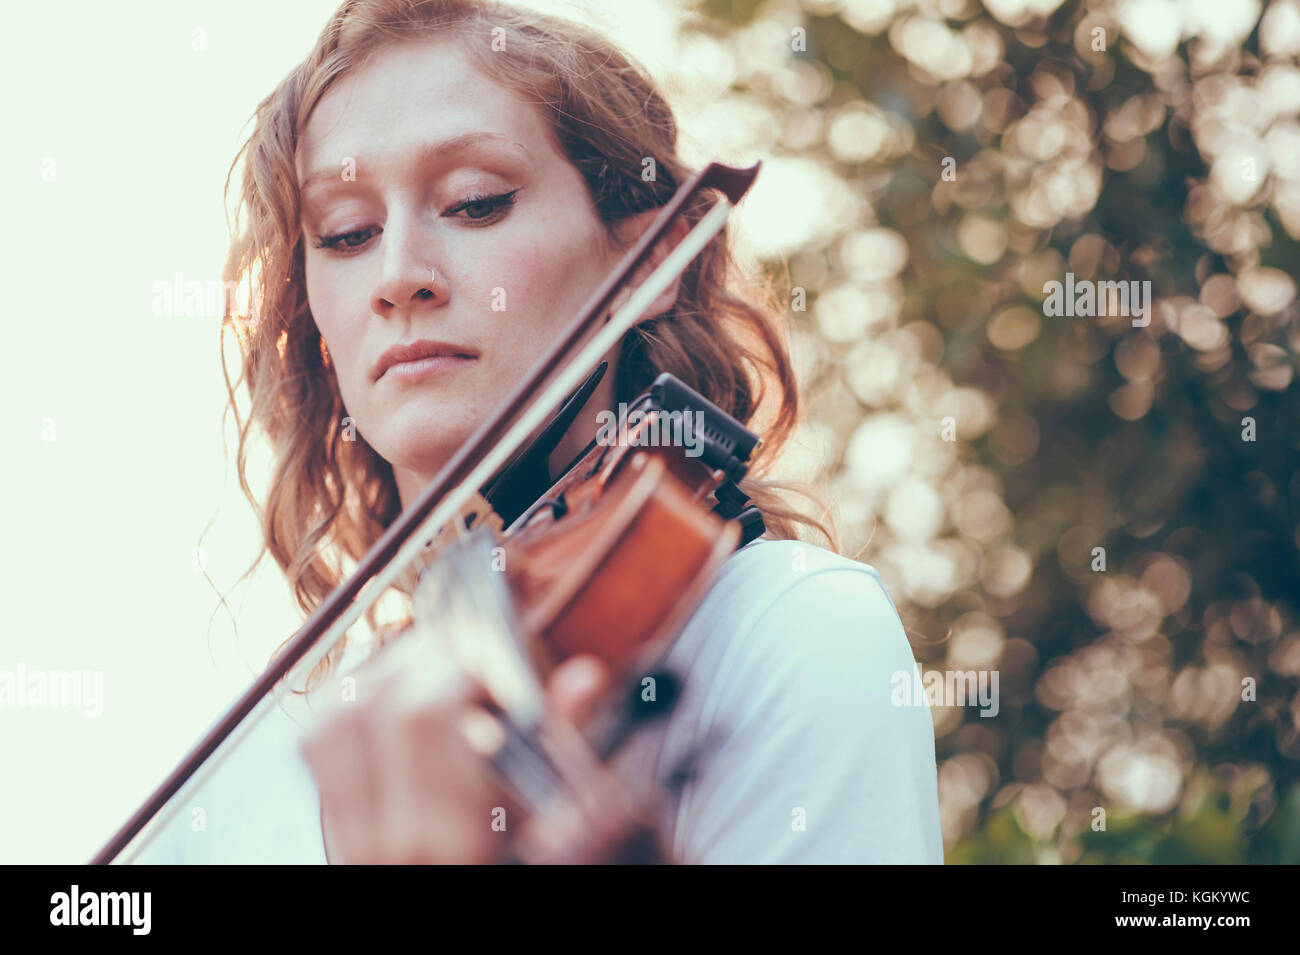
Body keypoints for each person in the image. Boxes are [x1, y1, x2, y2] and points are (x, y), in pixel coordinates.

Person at [136, 0, 943, 865]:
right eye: (347, 233)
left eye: (476, 203)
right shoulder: (250, 775)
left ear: (646, 262)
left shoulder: (785, 630)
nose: (399, 274)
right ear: (318, 326)